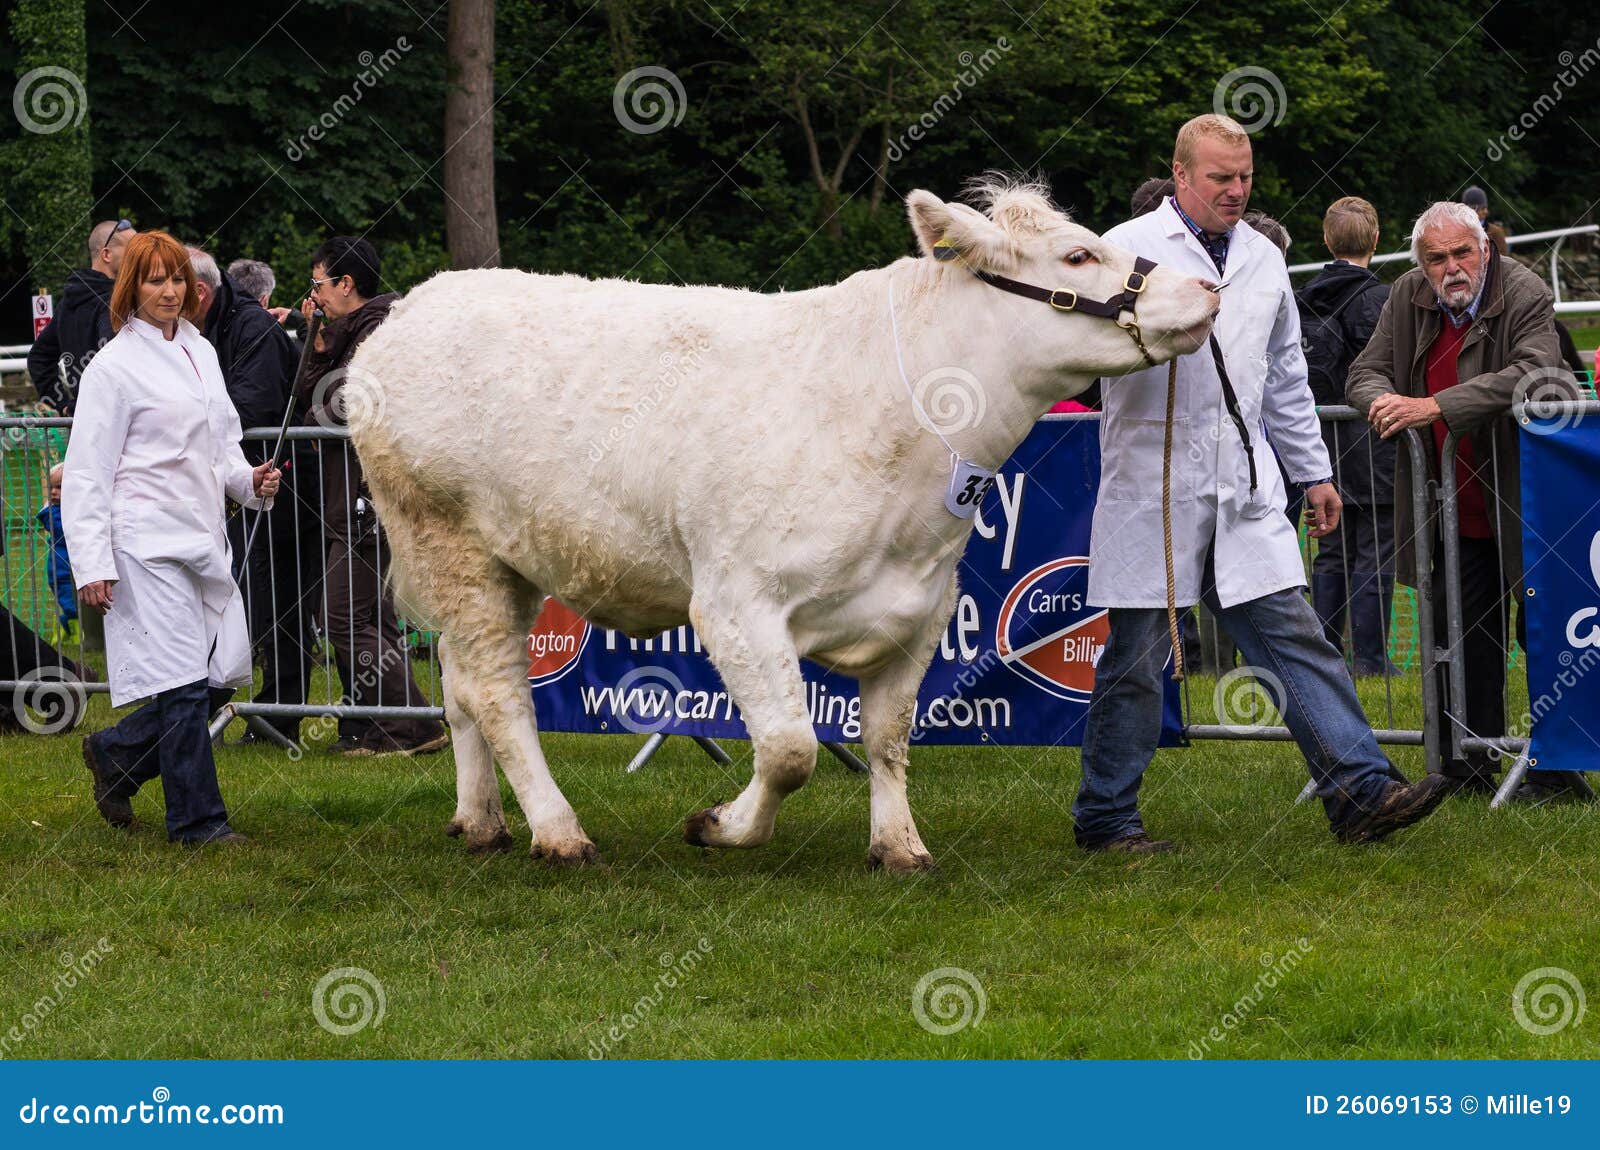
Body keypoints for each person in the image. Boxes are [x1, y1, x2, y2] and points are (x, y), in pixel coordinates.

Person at [1071, 113, 1448, 852]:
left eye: (1245, 178)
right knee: (1140, 661)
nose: (1236, 191)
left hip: (1244, 490)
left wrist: (1314, 473)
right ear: (1181, 176)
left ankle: (1360, 791)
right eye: (1221, 178)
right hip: (1154, 489)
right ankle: (1105, 817)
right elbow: (1083, 364)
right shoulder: (1122, 249)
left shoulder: (1263, 259)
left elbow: (1285, 381)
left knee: (1298, 640)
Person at [1346, 201, 1580, 801]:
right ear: (1420, 262)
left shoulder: (1522, 290)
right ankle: (1466, 768)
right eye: (1435, 258)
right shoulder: (1406, 295)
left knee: (1549, 634)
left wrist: (1436, 406)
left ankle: (1559, 771)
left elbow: (1536, 370)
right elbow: (1364, 371)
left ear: (1484, 249)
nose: (1451, 268)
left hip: (1530, 500)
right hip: (1449, 504)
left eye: (1461, 253)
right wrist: (1383, 401)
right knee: (1462, 638)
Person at [64, 230, 281, 845]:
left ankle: (117, 753)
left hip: (202, 535)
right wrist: (91, 563)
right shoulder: (111, 368)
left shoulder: (201, 352)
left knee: (220, 675)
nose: (168, 290)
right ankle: (198, 821)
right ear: (130, 286)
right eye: (155, 279)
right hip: (143, 542)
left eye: (177, 278)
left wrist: (249, 481)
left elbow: (223, 445)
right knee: (183, 682)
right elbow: (86, 471)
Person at [297, 236, 446, 757]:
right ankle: (393, 727)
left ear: (346, 284)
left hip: (367, 499)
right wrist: (318, 342)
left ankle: (416, 725)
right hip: (360, 497)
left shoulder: (375, 334)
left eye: (318, 284)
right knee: (372, 617)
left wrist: (317, 350)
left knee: (341, 617)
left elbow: (327, 411)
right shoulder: (358, 334)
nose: (313, 296)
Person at [191, 246, 315, 741]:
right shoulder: (214, 327)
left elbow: (252, 405)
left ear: (200, 291)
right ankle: (235, 707)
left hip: (283, 485)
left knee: (278, 602)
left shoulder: (251, 329)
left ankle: (276, 714)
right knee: (250, 596)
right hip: (251, 481)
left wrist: (185, 420)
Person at [1296, 196, 1396, 676]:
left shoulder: (1300, 297)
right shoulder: (1383, 300)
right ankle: (1372, 662)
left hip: (1319, 443)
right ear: (1375, 240)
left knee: (1331, 550)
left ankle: (1324, 657)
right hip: (1374, 440)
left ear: (1326, 238)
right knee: (1374, 551)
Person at [27, 219, 137, 413]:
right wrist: (65, 406)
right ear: (107, 254)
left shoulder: (69, 302)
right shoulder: (116, 302)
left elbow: (39, 358)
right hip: (120, 423)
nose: (140, 257)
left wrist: (66, 407)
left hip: (86, 422)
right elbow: (39, 358)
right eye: (133, 251)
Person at [36, 464, 78, 644]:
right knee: (71, 604)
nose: (53, 492)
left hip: (78, 567)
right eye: (51, 487)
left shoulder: (76, 507)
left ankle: (69, 626)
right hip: (61, 570)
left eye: (59, 487)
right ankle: (70, 627)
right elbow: (64, 530)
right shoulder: (52, 513)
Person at [1461, 186, 1509, 256]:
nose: (1486, 211)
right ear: (1472, 209)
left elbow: (1503, 260)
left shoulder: (1496, 232)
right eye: (1482, 208)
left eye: (1486, 208)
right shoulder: (1459, 231)